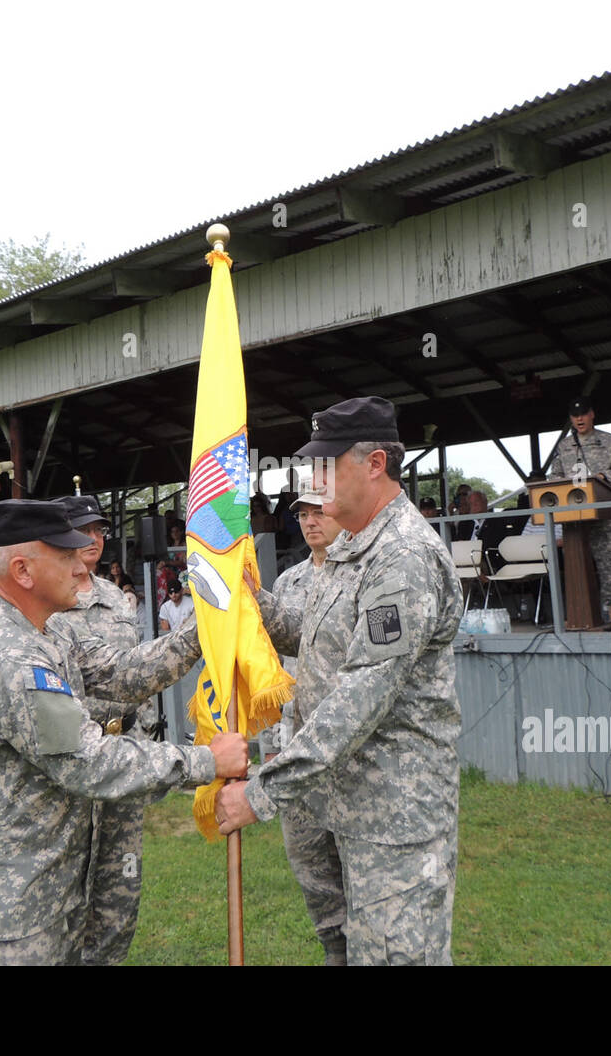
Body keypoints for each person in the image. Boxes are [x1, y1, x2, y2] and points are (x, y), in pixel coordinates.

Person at [0, 499, 248, 966]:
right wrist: (204, 761)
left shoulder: (47, 631)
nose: (83, 567)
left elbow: (121, 672)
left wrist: (206, 630)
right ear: (23, 571)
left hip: (44, 894)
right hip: (2, 916)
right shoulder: (9, 659)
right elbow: (88, 760)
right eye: (66, 556)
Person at [215, 396, 464, 966]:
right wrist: (250, 598)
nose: (314, 479)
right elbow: (315, 635)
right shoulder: (354, 546)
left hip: (393, 815)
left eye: (327, 465)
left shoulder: (401, 556)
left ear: (375, 464)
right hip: (346, 802)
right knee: (348, 948)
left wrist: (261, 793)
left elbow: (359, 699)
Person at [44, 496, 158, 966]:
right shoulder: (49, 600)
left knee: (120, 885)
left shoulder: (116, 597)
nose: (94, 539)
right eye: (84, 530)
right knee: (65, 880)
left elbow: (138, 672)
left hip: (123, 750)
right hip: (73, 756)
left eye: (100, 530)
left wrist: (145, 730)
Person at [267, 481, 349, 964]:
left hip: (346, 743)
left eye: (319, 511)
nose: (311, 521)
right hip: (297, 743)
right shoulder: (289, 583)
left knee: (356, 865)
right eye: (302, 514)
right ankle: (334, 951)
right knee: (310, 862)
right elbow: (275, 670)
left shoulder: (359, 573)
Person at [545, 397, 611, 601]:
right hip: (575, 518)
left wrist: (604, 478)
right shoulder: (564, 446)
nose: (579, 419)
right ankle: (582, 616)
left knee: (608, 564)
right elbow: (555, 475)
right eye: (575, 416)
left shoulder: (608, 440)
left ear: (592, 414)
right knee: (577, 568)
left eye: (583, 414)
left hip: (604, 514)